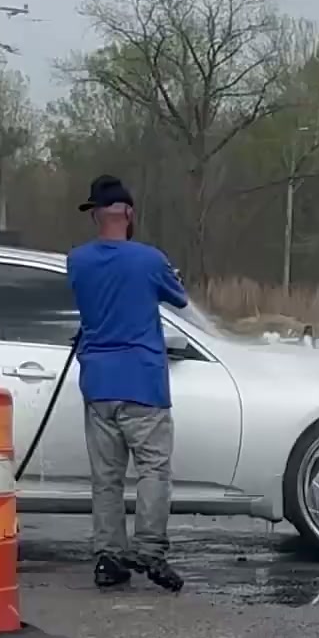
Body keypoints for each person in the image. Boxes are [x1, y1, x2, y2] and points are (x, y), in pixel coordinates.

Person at [66, 175, 188, 592]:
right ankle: (150, 550)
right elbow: (179, 297)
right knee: (153, 469)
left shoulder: (77, 260)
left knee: (107, 477)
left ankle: (109, 558)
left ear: (96, 215)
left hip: (98, 383)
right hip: (143, 382)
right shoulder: (149, 260)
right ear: (129, 214)